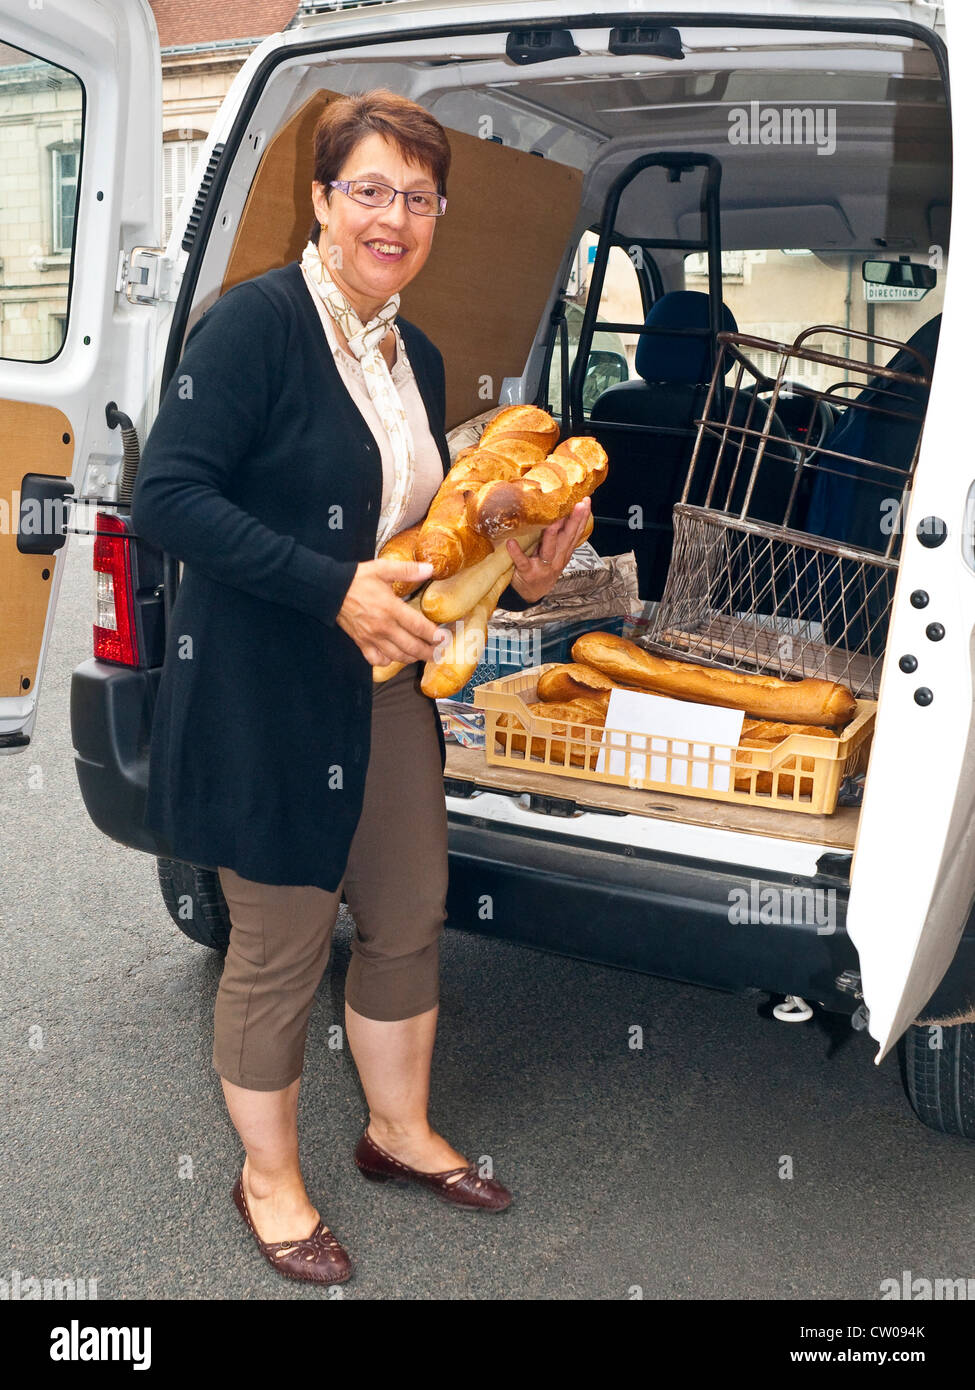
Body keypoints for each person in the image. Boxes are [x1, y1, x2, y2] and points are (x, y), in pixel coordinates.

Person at [129, 88, 591, 1286]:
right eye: (371, 191)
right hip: (265, 685)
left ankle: (398, 1131)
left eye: (420, 197)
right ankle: (269, 1178)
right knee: (280, 945)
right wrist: (328, 584)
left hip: (383, 686)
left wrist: (508, 537)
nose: (397, 217)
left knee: (407, 911)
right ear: (323, 202)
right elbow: (168, 497)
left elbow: (415, 522)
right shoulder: (253, 326)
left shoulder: (412, 348)